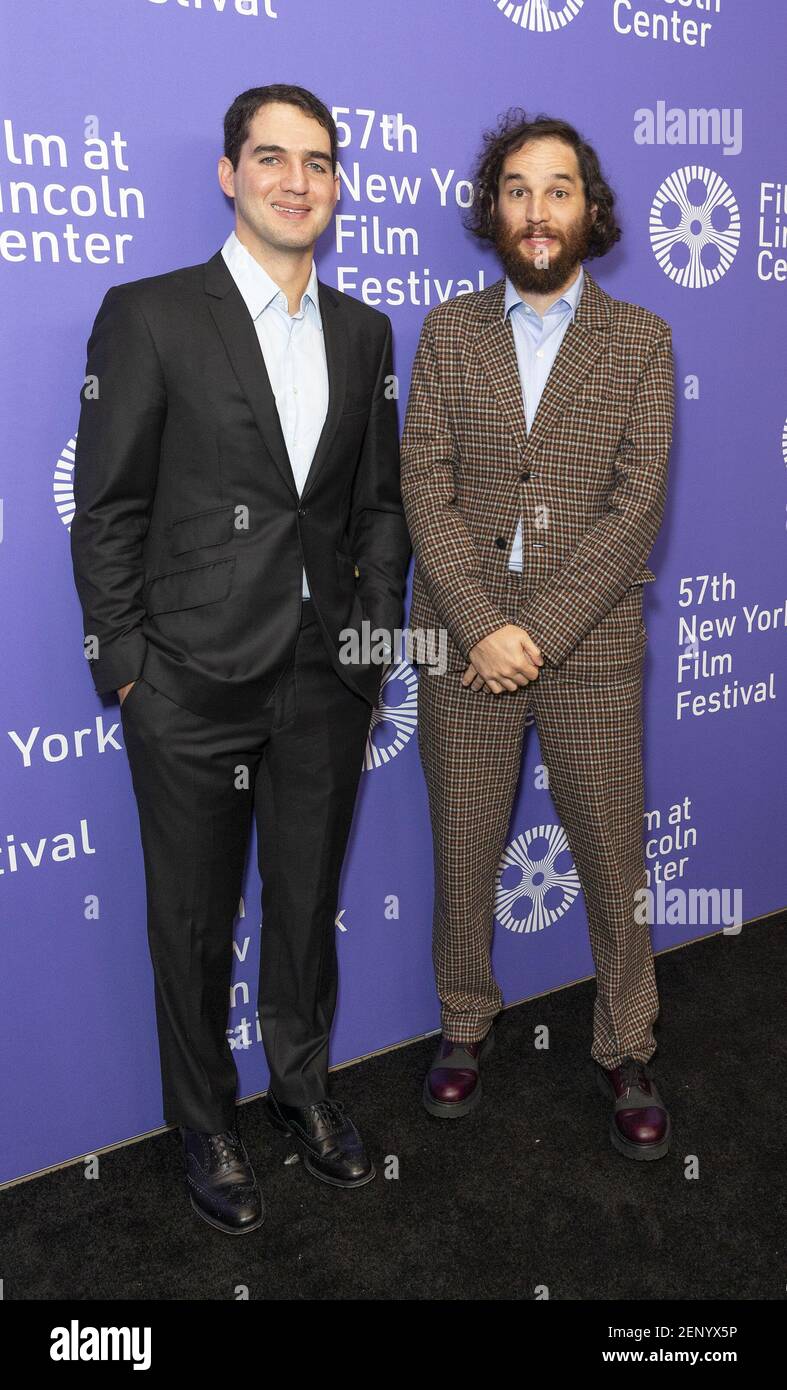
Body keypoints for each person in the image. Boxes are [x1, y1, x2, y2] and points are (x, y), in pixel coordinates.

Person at [70, 84, 411, 1233]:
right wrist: (128, 669)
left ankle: (301, 1092)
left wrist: (368, 657)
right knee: (193, 922)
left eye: (317, 161)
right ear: (229, 173)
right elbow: (106, 509)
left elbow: (378, 511)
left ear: (337, 184)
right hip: (189, 687)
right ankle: (204, 1123)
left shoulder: (366, 333)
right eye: (271, 158)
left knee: (307, 908)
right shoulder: (152, 314)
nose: (295, 180)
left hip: (325, 679)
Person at [401, 111, 675, 1160]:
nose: (536, 208)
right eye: (516, 188)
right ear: (493, 208)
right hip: (461, 644)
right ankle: (464, 1022)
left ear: (589, 210)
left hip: (591, 647)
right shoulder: (444, 331)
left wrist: (539, 630)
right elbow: (423, 483)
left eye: (557, 188)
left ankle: (625, 1039)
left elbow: (633, 506)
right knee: (464, 849)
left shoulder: (643, 340)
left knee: (614, 858)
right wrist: (480, 622)